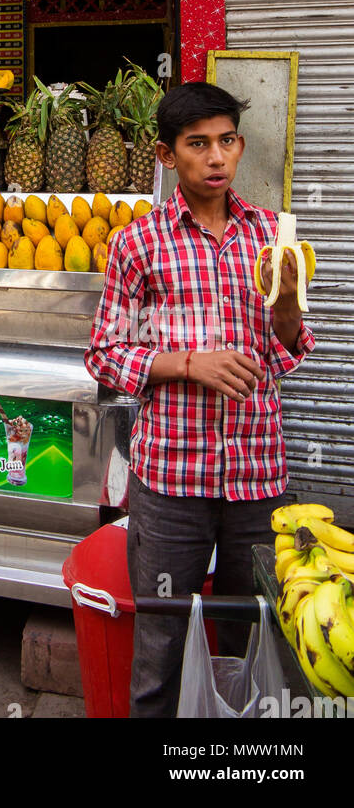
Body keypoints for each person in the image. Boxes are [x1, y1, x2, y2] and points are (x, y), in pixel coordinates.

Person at [85, 81, 314, 718]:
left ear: (239, 147)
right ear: (167, 155)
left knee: (257, 635)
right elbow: (106, 353)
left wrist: (290, 301)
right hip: (171, 479)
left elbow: (289, 350)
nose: (215, 158)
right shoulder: (139, 244)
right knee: (161, 642)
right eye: (197, 144)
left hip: (256, 477)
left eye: (226, 142)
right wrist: (189, 365)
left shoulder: (272, 237)